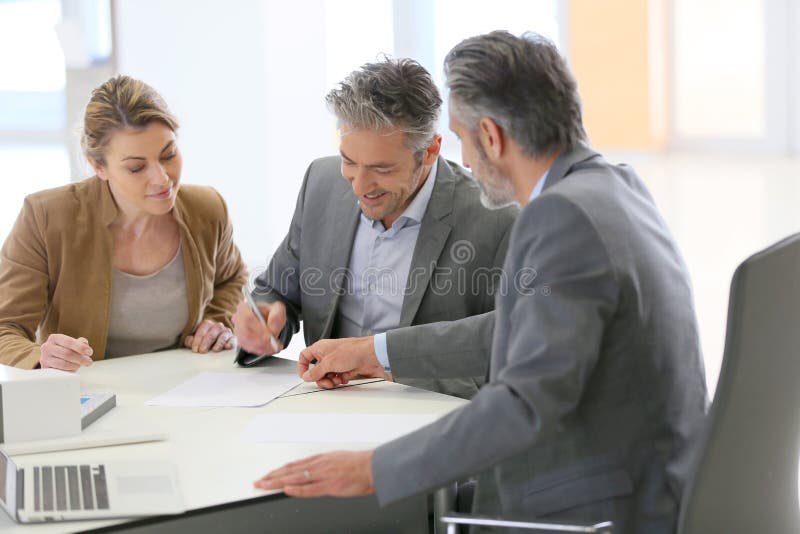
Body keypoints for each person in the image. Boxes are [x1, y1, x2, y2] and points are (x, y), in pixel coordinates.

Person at [254, 32, 708, 533]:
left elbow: (522, 404)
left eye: (463, 139)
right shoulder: (614, 187)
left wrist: (373, 470)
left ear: (491, 136)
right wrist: (372, 354)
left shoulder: (559, 217)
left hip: (590, 510)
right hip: (645, 486)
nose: (465, 163)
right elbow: (520, 330)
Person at [232, 58, 517, 399]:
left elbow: (511, 349)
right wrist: (266, 319)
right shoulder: (321, 183)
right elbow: (276, 291)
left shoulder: (497, 218)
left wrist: (381, 362)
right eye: (349, 161)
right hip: (321, 403)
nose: (359, 186)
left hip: (426, 413)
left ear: (430, 150)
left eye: (382, 168)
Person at [0, 75, 247, 371]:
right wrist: (41, 356)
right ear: (98, 166)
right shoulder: (45, 217)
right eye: (136, 167)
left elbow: (231, 279)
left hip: (188, 385)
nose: (162, 179)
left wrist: (217, 321)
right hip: (87, 390)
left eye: (168, 154)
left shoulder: (207, 208)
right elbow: (5, 328)